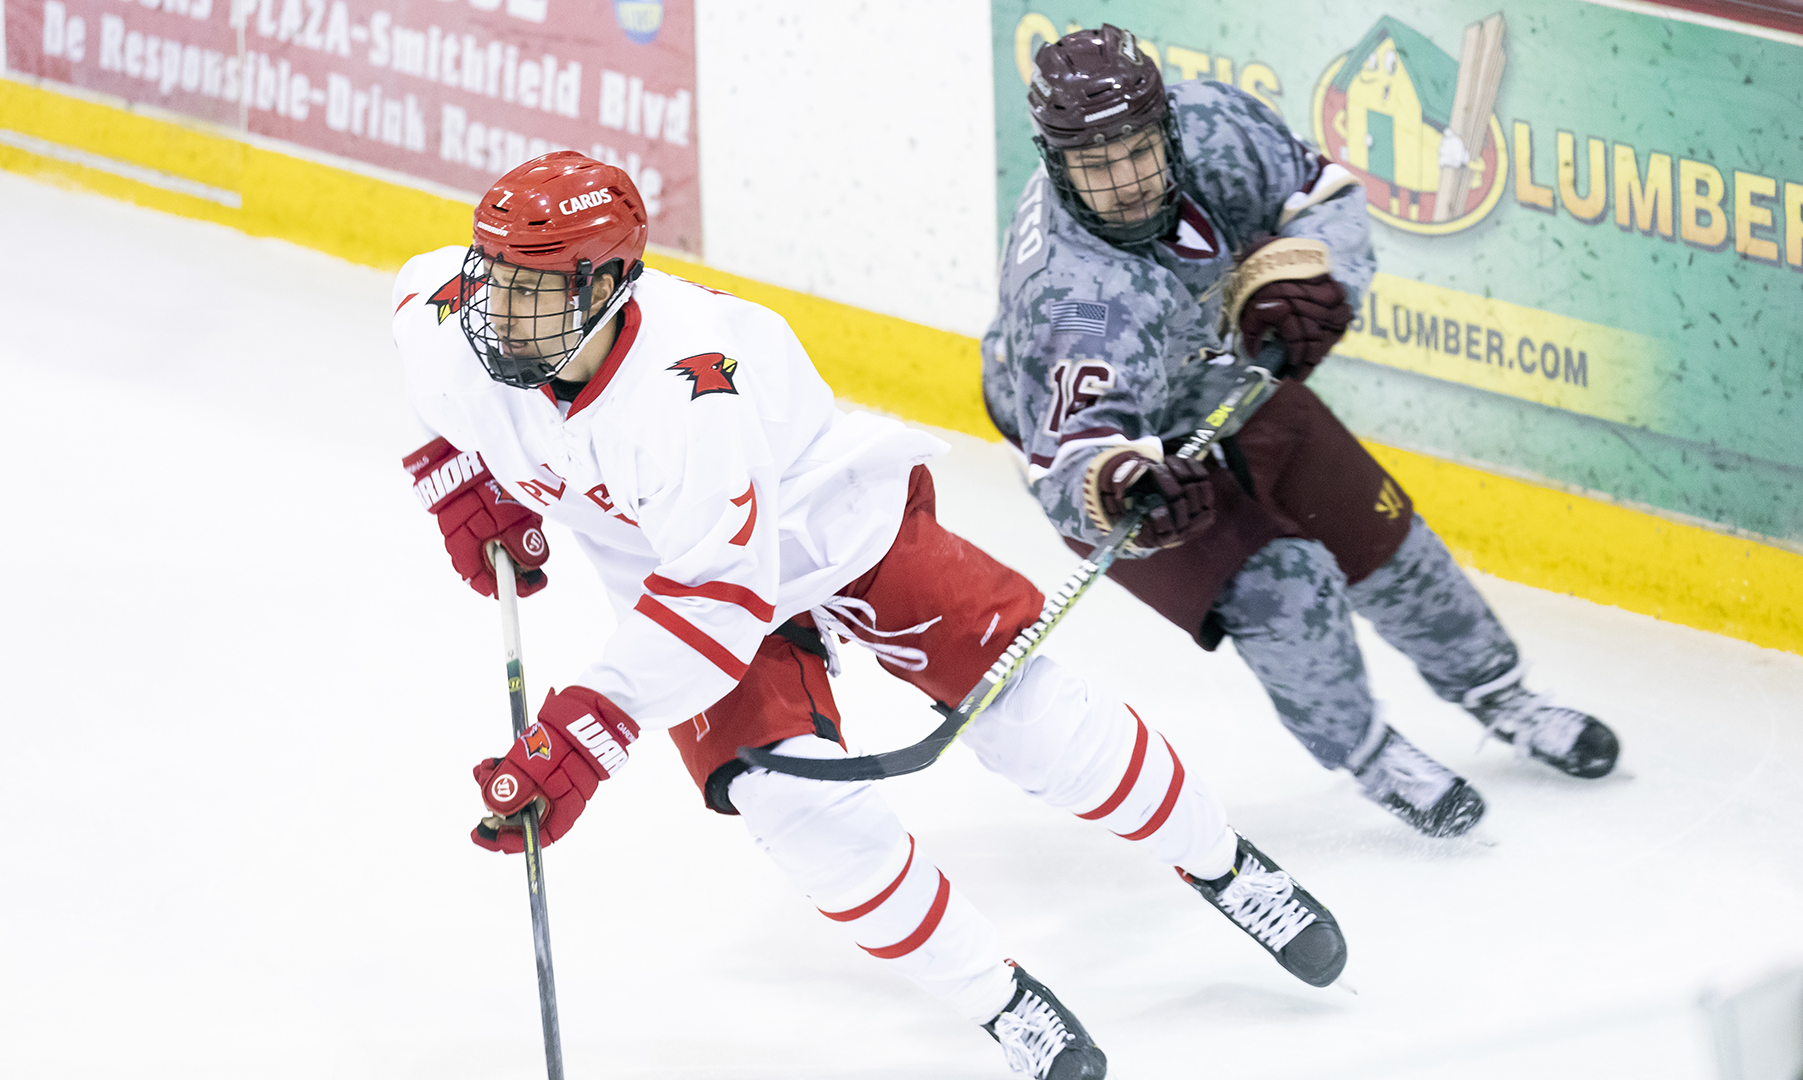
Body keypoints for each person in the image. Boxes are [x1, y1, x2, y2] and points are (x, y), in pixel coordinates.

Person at [392, 151, 1346, 1080]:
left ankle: (1224, 865)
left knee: (1029, 715)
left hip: (829, 530)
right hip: (685, 576)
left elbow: (719, 602)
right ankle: (1000, 1000)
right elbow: (423, 350)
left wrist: (584, 729)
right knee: (797, 813)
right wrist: (458, 478)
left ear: (607, 287)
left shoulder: (687, 393)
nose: (499, 313)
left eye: (534, 290)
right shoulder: (451, 318)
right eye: (495, 279)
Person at [981, 26, 1620, 840]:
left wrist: (1311, 276)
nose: (1128, 181)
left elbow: (1325, 198)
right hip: (1125, 445)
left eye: (1139, 151)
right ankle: (1371, 756)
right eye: (1097, 166)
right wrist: (1119, 488)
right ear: (1057, 163)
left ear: (1166, 126)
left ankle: (1503, 695)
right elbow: (1070, 457)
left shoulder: (1215, 125)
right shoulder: (1070, 298)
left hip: (1226, 380)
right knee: (1284, 588)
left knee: (1383, 539)